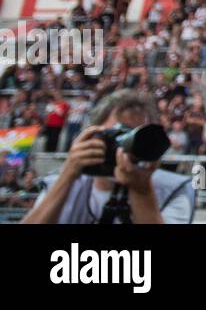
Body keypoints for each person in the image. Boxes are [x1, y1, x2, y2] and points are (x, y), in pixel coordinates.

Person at [22, 89, 195, 225]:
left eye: (135, 137)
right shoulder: (60, 183)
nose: (124, 148)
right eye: (115, 135)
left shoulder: (173, 189)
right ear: (92, 135)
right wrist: (67, 176)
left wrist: (142, 190)